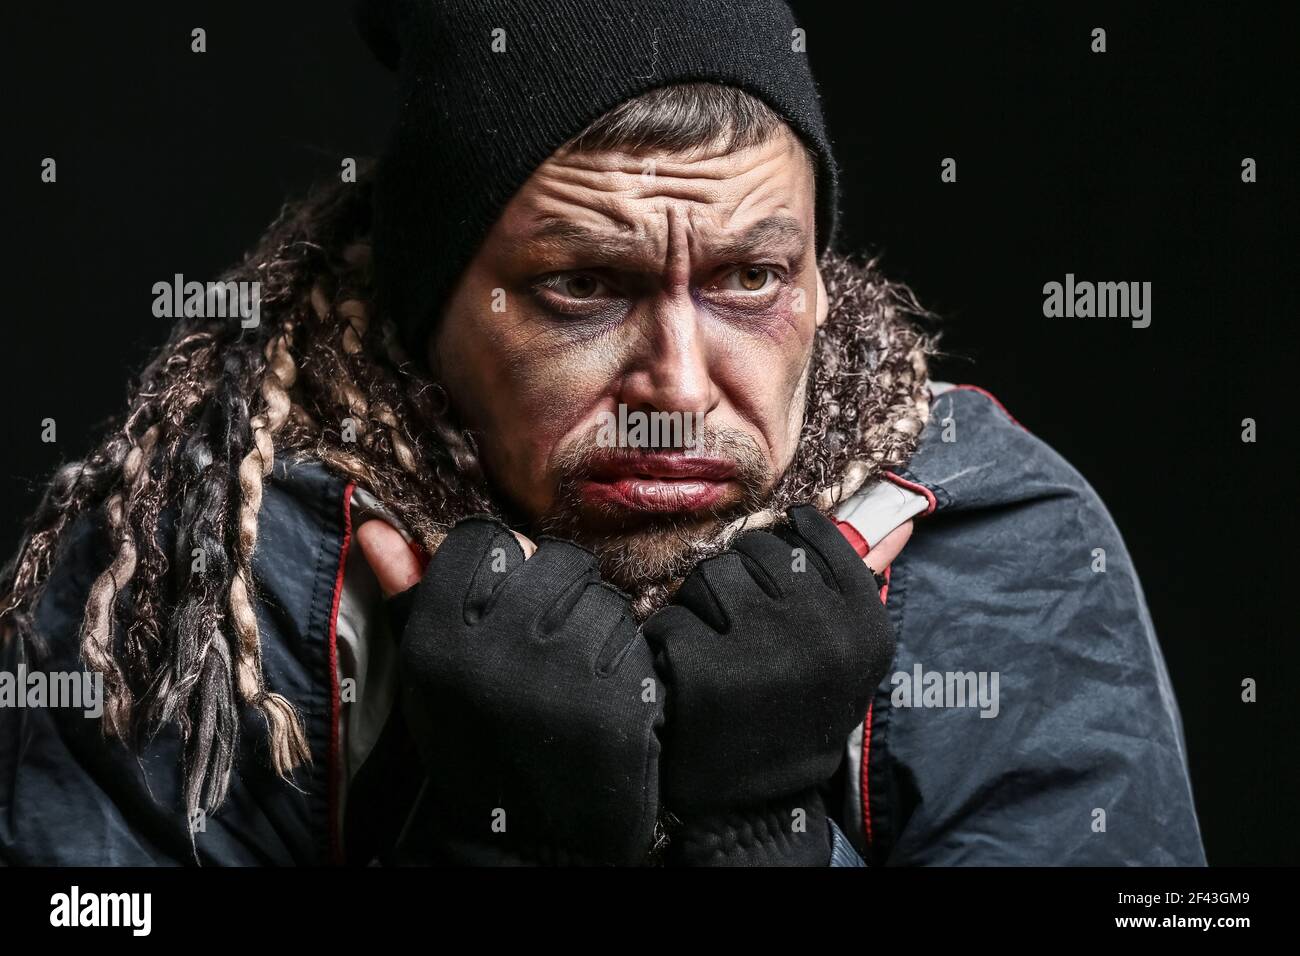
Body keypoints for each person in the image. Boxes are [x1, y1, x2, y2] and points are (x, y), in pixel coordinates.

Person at [0, 0, 1204, 866]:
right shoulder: (194, 571)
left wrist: (766, 831)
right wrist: (483, 831)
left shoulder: (996, 550)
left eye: (749, 278)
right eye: (581, 285)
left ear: (820, 287)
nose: (677, 383)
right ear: (428, 307)